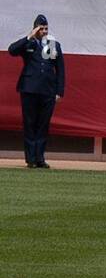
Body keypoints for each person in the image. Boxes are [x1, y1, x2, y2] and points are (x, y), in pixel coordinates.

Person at [8, 13, 64, 168]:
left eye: (46, 28)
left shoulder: (52, 44)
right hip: (30, 88)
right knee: (30, 123)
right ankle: (30, 158)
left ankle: (40, 157)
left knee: (43, 124)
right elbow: (12, 50)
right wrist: (29, 37)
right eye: (41, 29)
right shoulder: (29, 43)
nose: (44, 31)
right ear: (35, 29)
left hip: (47, 90)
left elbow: (59, 68)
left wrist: (59, 91)